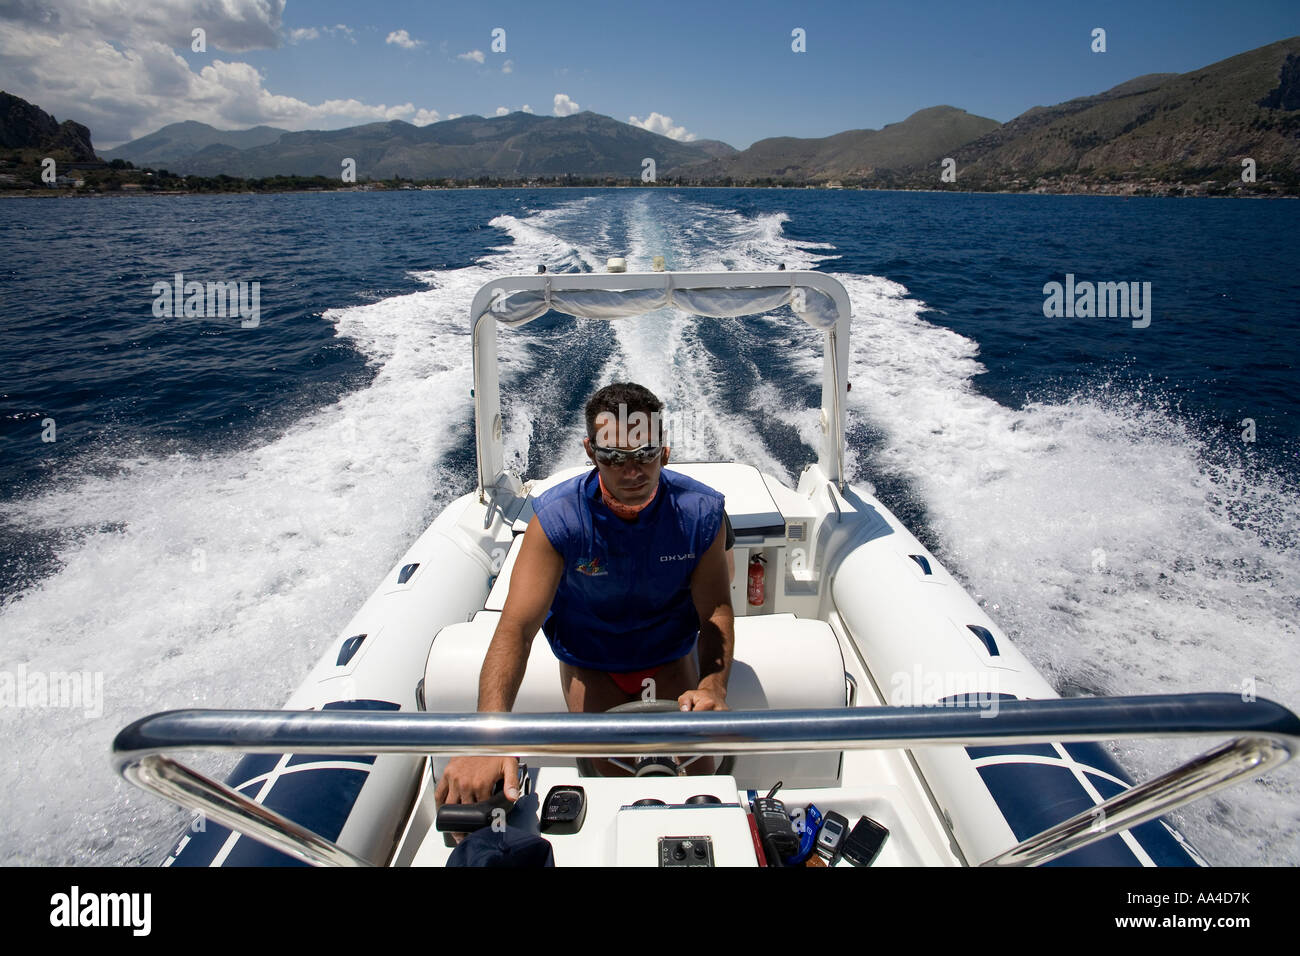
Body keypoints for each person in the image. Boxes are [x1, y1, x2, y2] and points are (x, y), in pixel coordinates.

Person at [435, 382, 735, 809]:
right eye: (614, 457)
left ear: (664, 452)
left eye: (644, 454)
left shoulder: (700, 513)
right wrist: (489, 735)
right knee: (616, 796)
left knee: (695, 788)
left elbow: (715, 613)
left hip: (669, 656)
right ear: (591, 453)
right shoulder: (558, 521)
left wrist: (713, 688)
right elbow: (517, 630)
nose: (632, 471)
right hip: (592, 664)